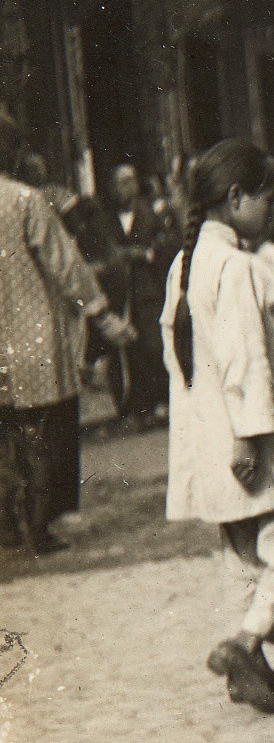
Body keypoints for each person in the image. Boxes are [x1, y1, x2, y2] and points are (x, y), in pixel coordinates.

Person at [162, 140, 274, 714]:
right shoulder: (234, 266)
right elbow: (245, 361)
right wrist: (250, 436)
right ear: (235, 198)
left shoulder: (184, 263)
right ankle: (245, 644)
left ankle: (254, 667)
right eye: (266, 198)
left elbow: (181, 362)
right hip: (245, 441)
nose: (273, 209)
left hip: (210, 438)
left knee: (252, 558)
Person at [0, 116, 134, 553]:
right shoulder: (25, 201)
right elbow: (66, 267)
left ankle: (7, 527)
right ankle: (39, 530)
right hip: (33, 337)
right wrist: (101, 313)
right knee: (37, 435)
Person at [103, 163, 174, 421]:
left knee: (154, 346)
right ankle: (137, 407)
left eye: (129, 181)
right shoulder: (107, 219)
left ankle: (162, 401)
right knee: (128, 350)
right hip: (121, 294)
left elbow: (164, 247)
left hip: (148, 289)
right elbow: (102, 251)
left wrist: (145, 254)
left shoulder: (150, 215)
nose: (124, 188)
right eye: (119, 183)